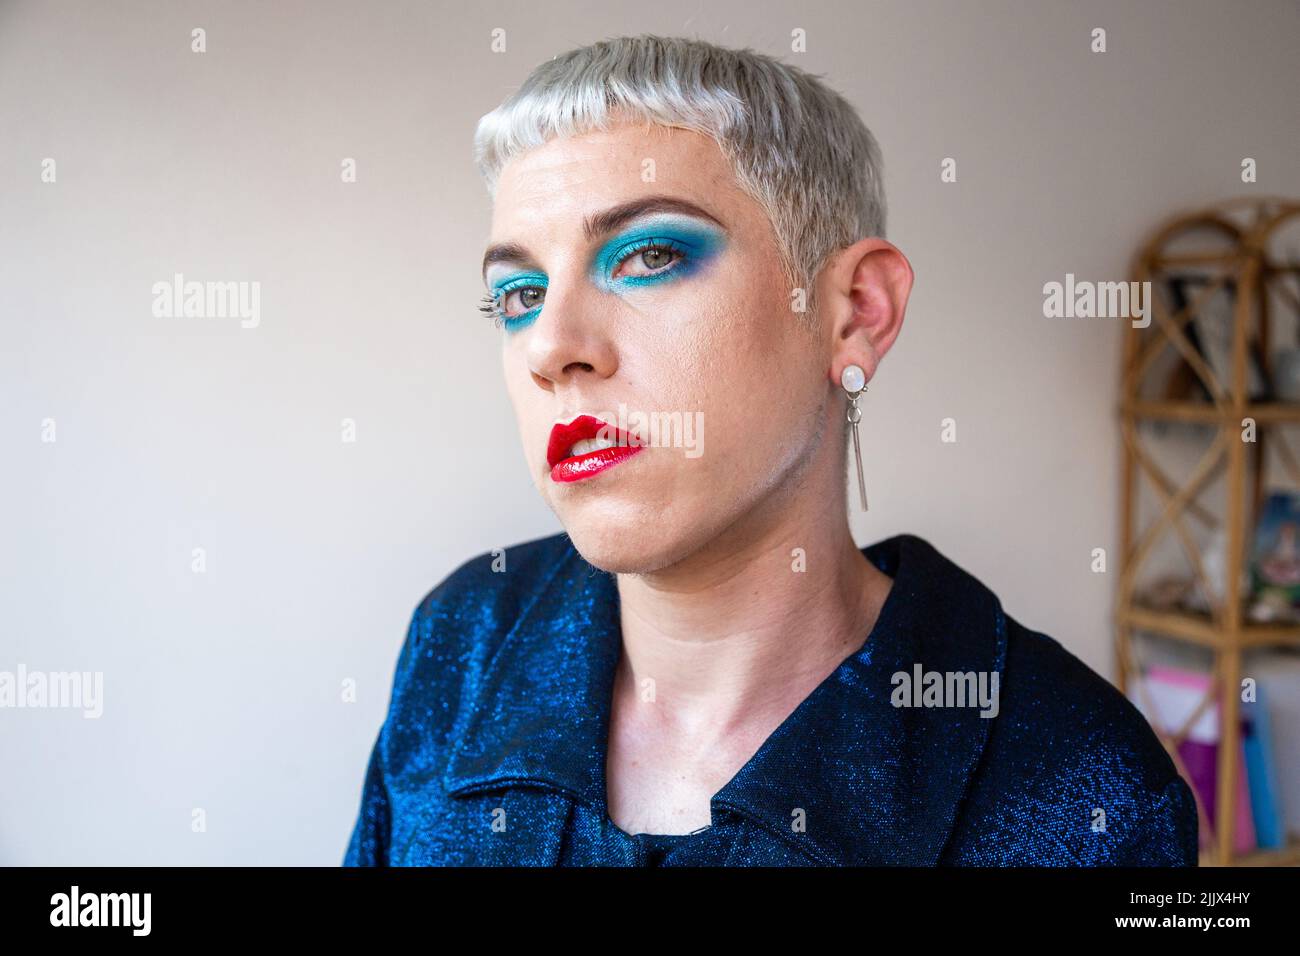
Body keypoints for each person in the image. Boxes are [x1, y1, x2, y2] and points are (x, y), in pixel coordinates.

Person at [343, 34, 1197, 866]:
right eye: (519, 293)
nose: (551, 346)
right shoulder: (462, 641)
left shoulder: (1087, 785)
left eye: (645, 256)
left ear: (857, 310)